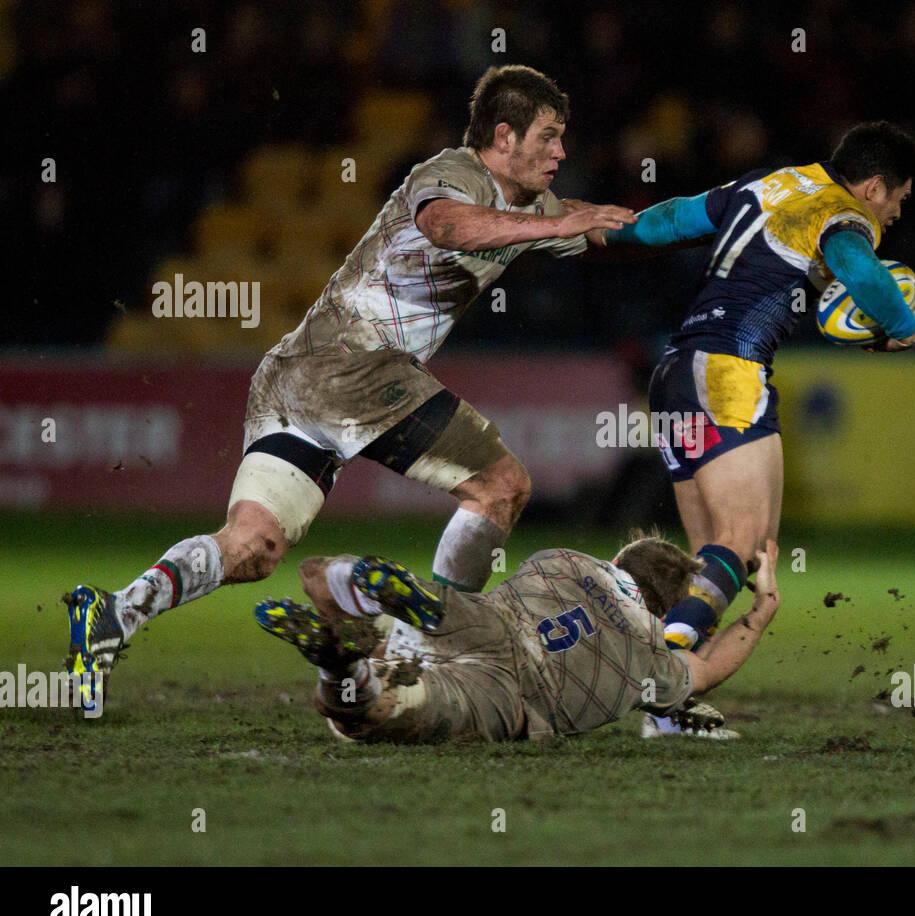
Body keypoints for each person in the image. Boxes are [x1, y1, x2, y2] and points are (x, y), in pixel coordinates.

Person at [64, 65, 637, 705]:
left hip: (297, 375)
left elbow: (608, 225)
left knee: (252, 548)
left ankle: (114, 612)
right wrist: (557, 227)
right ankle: (431, 652)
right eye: (550, 136)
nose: (562, 151)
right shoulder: (453, 174)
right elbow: (448, 226)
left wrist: (715, 216)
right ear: (504, 136)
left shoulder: (530, 207)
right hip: (356, 366)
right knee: (501, 486)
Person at [597, 121, 915, 733]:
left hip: (675, 373)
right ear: (876, 185)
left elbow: (669, 221)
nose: (898, 212)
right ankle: (659, 664)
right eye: (901, 198)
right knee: (745, 544)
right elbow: (863, 272)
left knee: (715, 559)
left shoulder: (769, 184)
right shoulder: (841, 212)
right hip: (728, 373)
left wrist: (609, 227)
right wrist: (904, 326)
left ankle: (668, 715)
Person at [252, 539, 780, 743]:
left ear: (619, 562)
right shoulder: (651, 655)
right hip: (515, 694)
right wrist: (761, 611)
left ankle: (362, 589)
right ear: (661, 608)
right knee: (371, 716)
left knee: (326, 575)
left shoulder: (566, 559)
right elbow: (708, 669)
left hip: (493, 619)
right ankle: (341, 671)